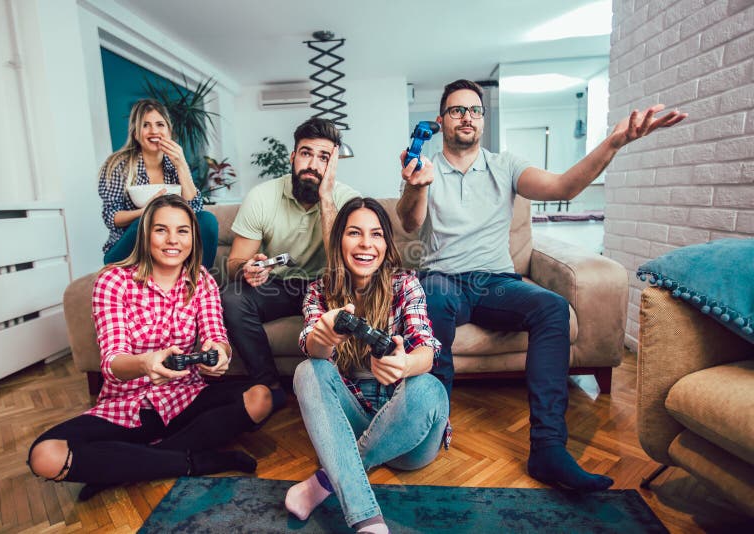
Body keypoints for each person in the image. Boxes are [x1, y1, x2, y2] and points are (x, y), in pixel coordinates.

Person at [396, 79, 687, 492]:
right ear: (441, 120)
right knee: (434, 298)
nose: (467, 117)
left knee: (551, 307)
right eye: (457, 110)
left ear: (483, 120)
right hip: (443, 278)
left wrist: (614, 143)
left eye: (475, 110)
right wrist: (416, 185)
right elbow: (409, 222)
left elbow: (564, 187)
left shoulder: (507, 166)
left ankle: (548, 450)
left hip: (495, 281)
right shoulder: (423, 167)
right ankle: (430, 423)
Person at [27, 195, 272, 500]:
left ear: (193, 239)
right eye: (161, 230)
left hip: (187, 397)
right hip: (129, 406)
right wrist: (145, 363)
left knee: (262, 397)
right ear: (145, 235)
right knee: (45, 456)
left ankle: (125, 464)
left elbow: (215, 334)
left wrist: (219, 352)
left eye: (183, 231)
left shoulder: (202, 280)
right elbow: (112, 360)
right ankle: (193, 461)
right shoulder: (113, 281)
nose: (173, 240)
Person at [285, 197, 449, 533]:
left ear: (387, 244)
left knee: (429, 388)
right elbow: (311, 347)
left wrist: (404, 364)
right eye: (354, 233)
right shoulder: (320, 290)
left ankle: (323, 483)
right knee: (307, 369)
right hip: (350, 422)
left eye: (376, 235)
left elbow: (428, 350)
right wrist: (325, 336)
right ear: (338, 241)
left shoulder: (404, 284)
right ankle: (367, 521)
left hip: (408, 436)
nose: (365, 244)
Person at [222, 117, 359, 409]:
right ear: (293, 156)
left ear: (334, 164)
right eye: (306, 153)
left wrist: (325, 198)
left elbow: (343, 260)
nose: (312, 164)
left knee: (353, 297)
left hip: (327, 286)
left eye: (324, 157)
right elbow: (234, 262)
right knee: (232, 299)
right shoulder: (262, 196)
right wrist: (247, 268)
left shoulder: (347, 200)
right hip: (278, 285)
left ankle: (335, 389)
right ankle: (269, 385)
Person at [98, 98, 219, 271]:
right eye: (145, 125)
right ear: (135, 133)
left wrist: (181, 165)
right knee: (144, 221)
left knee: (207, 220)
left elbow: (196, 210)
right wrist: (146, 210)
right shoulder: (118, 165)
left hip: (166, 246)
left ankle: (199, 281)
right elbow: (111, 217)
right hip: (128, 248)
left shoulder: (175, 166)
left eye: (160, 124)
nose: (154, 131)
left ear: (169, 131)